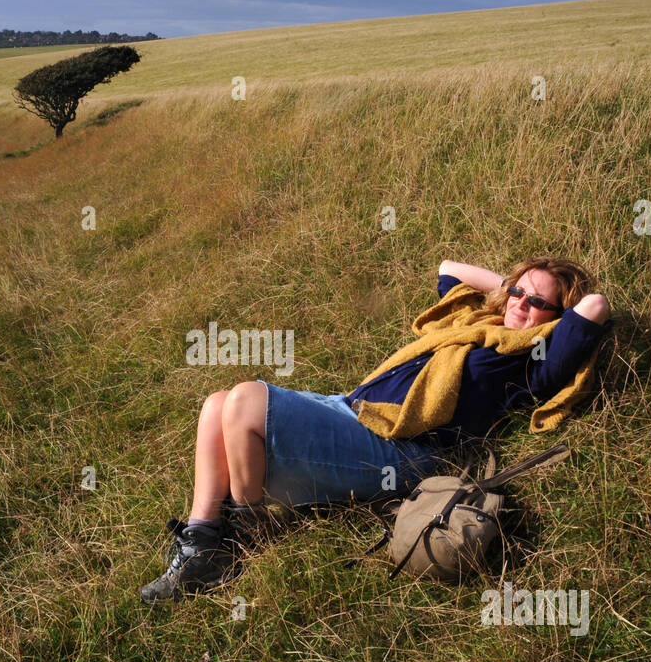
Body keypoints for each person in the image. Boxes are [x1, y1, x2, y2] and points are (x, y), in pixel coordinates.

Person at [139, 255, 614, 605]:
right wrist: (510, 286)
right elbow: (450, 267)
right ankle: (203, 541)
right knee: (216, 405)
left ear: (557, 317)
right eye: (517, 293)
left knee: (243, 402)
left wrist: (550, 314)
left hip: (401, 447)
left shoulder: (530, 362)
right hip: (354, 409)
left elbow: (594, 305)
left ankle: (247, 526)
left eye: (538, 302)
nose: (521, 305)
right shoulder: (476, 322)